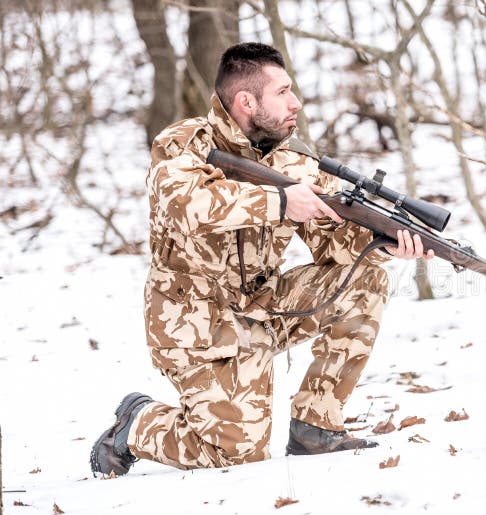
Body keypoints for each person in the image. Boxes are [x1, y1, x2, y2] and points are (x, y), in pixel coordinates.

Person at [90, 42, 432, 476]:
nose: (296, 103)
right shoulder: (182, 144)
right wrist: (281, 202)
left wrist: (380, 243)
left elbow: (334, 249)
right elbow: (187, 205)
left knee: (365, 277)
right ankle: (137, 425)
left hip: (265, 307)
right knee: (235, 456)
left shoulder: (294, 159)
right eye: (283, 92)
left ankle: (316, 427)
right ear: (246, 101)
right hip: (198, 324)